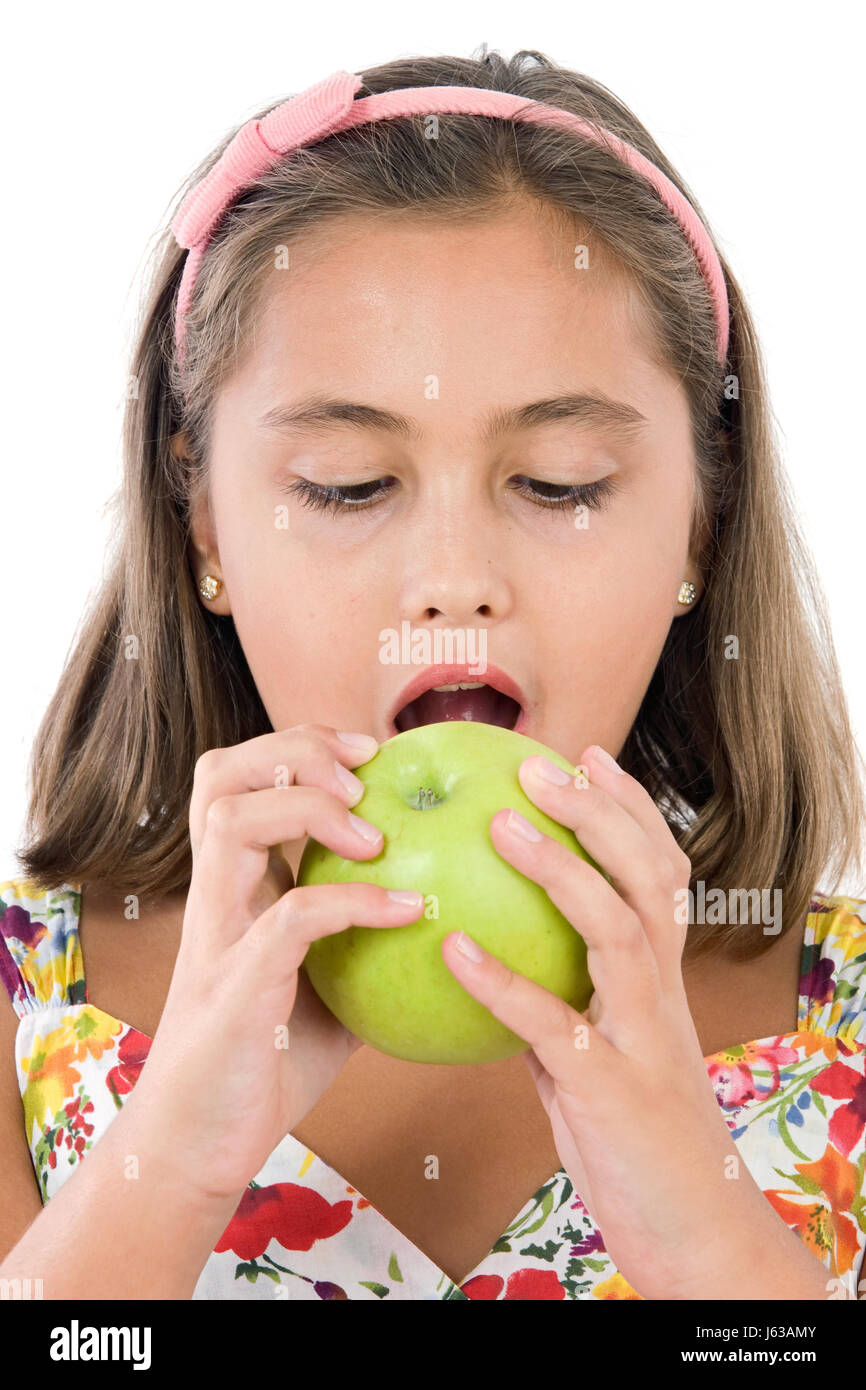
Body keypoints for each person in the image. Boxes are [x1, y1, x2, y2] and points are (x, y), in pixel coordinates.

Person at [1, 45, 864, 1302]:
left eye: (559, 482)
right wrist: (170, 1165)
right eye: (346, 487)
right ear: (205, 533)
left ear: (696, 525)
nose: (452, 579)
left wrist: (696, 1225)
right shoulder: (30, 1000)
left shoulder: (834, 1021)